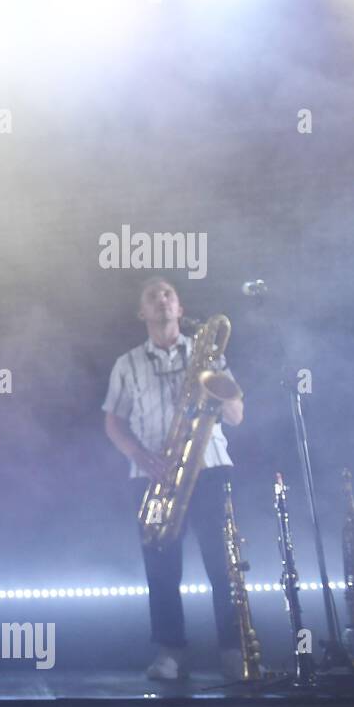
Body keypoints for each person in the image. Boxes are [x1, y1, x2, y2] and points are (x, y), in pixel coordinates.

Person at [102, 276, 246, 682]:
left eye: (169, 295)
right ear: (141, 313)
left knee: (224, 565)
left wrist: (223, 390)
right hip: (154, 473)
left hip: (211, 466)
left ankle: (235, 652)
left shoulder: (210, 358)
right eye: (153, 296)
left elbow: (236, 416)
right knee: (161, 566)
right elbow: (112, 422)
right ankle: (170, 652)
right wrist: (140, 456)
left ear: (180, 309)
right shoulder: (126, 364)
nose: (162, 300)